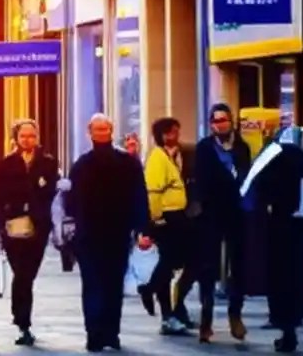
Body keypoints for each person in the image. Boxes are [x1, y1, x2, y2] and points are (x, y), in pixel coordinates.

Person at [68, 115, 150, 353]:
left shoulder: (128, 163)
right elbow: (71, 201)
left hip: (117, 233)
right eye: (98, 129)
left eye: (105, 129)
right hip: (88, 235)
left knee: (114, 285)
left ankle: (111, 333)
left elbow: (139, 196)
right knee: (93, 284)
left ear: (112, 131)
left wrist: (142, 228)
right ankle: (94, 333)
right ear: (89, 132)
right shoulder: (81, 165)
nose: (102, 133)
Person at [240, 128, 303, 353]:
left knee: (279, 277)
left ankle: (284, 326)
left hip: (278, 227)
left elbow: (256, 189)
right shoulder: (302, 163)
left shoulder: (273, 160)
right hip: (300, 228)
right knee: (295, 276)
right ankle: (292, 325)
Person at [189, 103, 252, 344]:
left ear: (231, 121)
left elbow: (247, 176)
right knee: (208, 266)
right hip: (211, 213)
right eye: (215, 121)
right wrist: (198, 206)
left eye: (223, 120)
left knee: (239, 264)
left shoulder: (241, 147)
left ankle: (235, 314)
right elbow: (200, 180)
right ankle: (206, 319)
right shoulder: (205, 148)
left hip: (236, 212)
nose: (220, 125)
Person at [0, 119, 60, 346]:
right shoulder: (5, 165)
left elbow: (51, 192)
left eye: (32, 135)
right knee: (21, 273)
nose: (28, 140)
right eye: (23, 136)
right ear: (15, 138)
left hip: (38, 227)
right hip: (13, 227)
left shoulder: (48, 164)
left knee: (27, 274)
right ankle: (22, 322)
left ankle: (22, 320)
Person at [143, 117, 192, 336]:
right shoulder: (157, 157)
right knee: (170, 259)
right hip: (167, 217)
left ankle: (166, 308)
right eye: (173, 132)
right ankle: (151, 289)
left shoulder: (175, 155)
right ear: (164, 135)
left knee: (173, 260)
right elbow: (153, 190)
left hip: (179, 216)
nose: (177, 136)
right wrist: (156, 218)